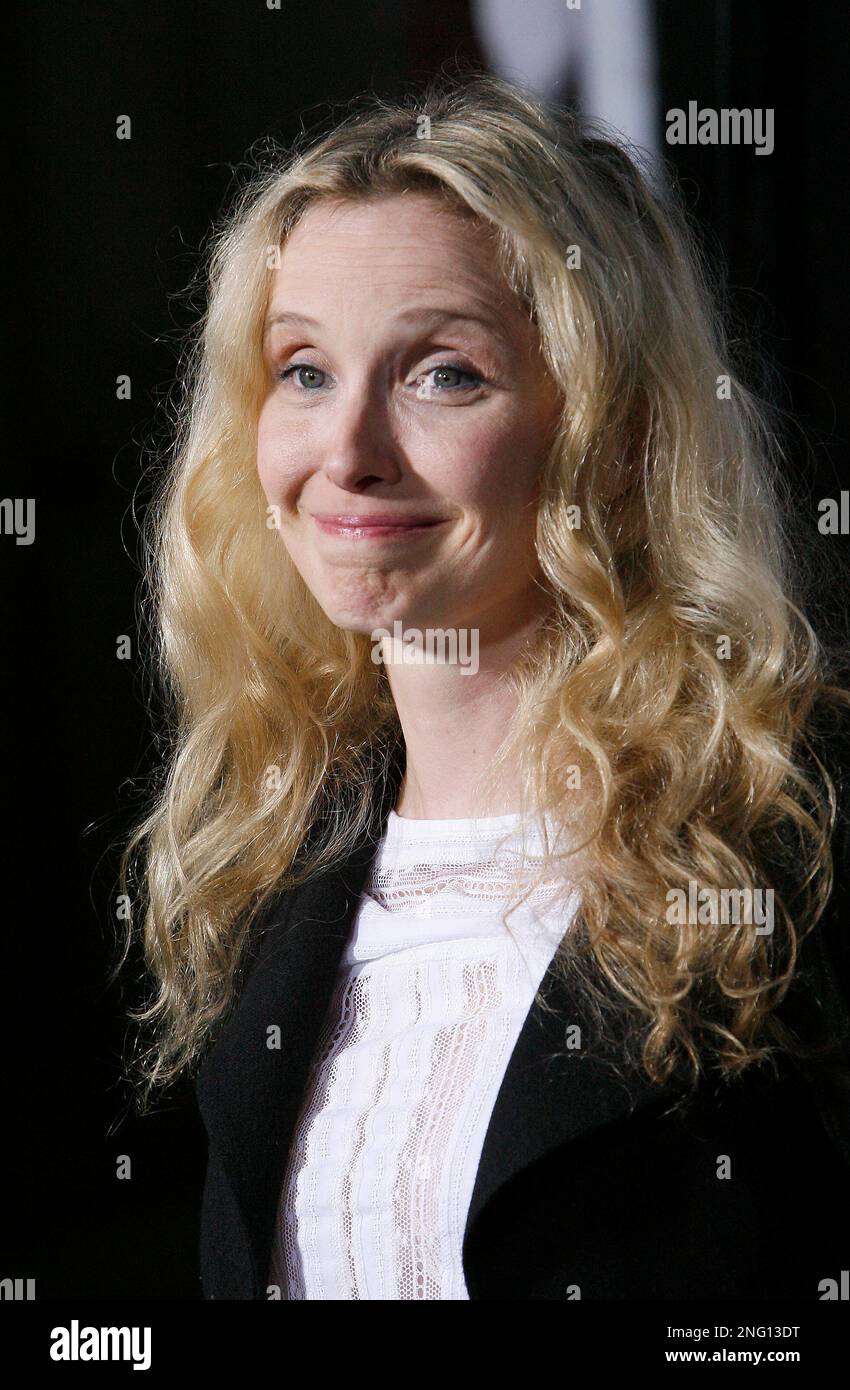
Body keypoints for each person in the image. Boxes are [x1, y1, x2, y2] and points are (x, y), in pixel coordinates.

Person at [117, 74, 850, 1300]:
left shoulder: (792, 852)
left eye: (441, 373)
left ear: (610, 433)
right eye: (303, 371)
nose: (346, 452)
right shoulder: (265, 868)